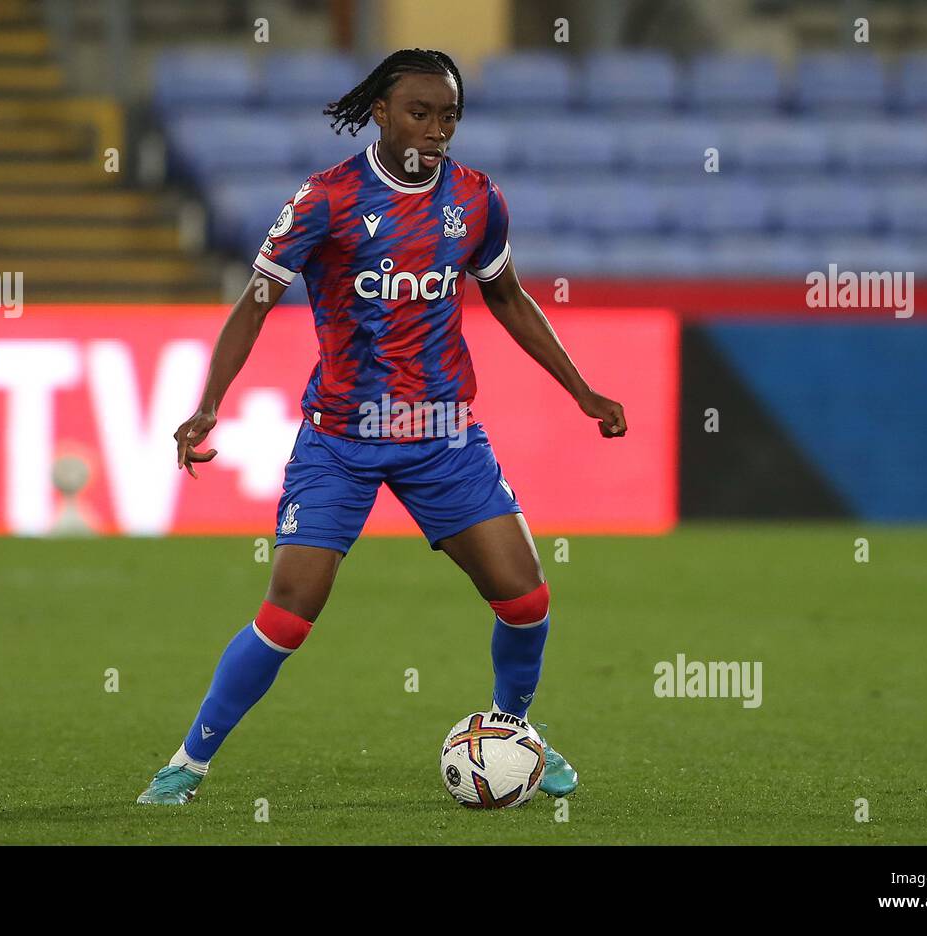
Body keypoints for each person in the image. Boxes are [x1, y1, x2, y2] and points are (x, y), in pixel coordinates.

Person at [138, 48, 626, 805]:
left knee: (526, 598)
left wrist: (582, 390)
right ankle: (186, 764)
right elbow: (257, 301)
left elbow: (508, 299)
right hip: (341, 438)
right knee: (288, 612)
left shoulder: (476, 200)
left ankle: (511, 731)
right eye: (421, 114)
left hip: (443, 434)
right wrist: (208, 402)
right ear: (382, 114)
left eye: (449, 117)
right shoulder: (326, 200)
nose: (436, 130)